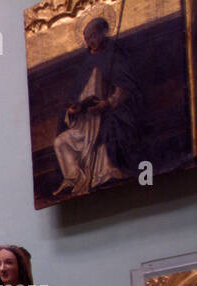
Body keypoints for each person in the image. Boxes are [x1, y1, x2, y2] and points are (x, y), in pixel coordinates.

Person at [52, 16, 140, 198]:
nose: (90, 41)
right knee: (60, 141)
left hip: (106, 116)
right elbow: (76, 96)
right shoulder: (85, 63)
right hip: (84, 123)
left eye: (93, 35)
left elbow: (125, 87)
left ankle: (106, 175)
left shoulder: (114, 55)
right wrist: (73, 111)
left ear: (103, 32)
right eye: (86, 38)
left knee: (106, 138)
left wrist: (107, 103)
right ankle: (74, 178)